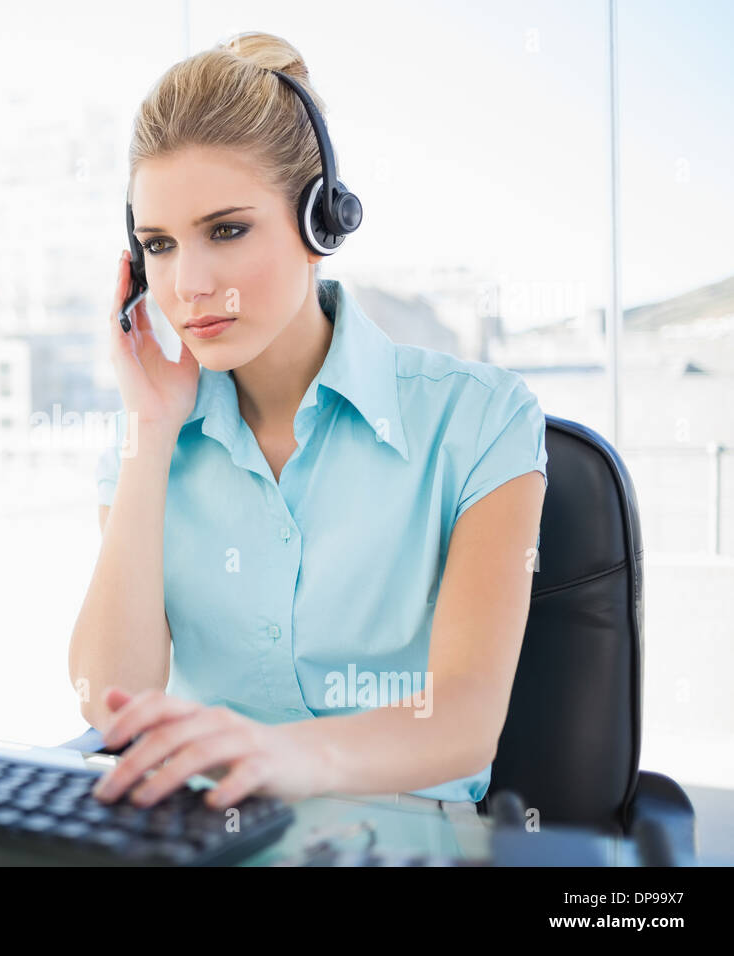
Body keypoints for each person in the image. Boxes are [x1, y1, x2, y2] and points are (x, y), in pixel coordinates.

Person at [66, 32, 548, 819]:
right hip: (206, 839)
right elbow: (106, 700)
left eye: (226, 230)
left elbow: (465, 721)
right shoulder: (143, 441)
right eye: (159, 245)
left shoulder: (479, 420)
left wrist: (277, 755)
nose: (189, 285)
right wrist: (149, 435)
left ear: (322, 219)